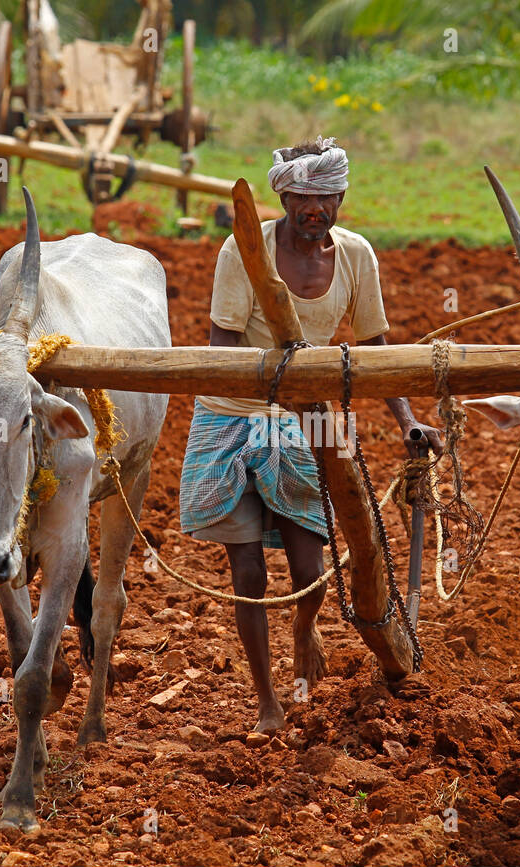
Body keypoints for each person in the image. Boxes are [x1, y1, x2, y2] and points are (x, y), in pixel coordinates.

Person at [180, 136, 443, 735]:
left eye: (324, 197)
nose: (312, 208)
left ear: (340, 198)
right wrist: (271, 385)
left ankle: (305, 626)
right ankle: (267, 699)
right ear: (284, 197)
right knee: (246, 571)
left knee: (308, 565)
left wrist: (407, 421)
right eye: (301, 196)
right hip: (231, 412)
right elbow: (221, 345)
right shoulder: (241, 250)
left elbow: (375, 348)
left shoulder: (356, 257)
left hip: (308, 419)